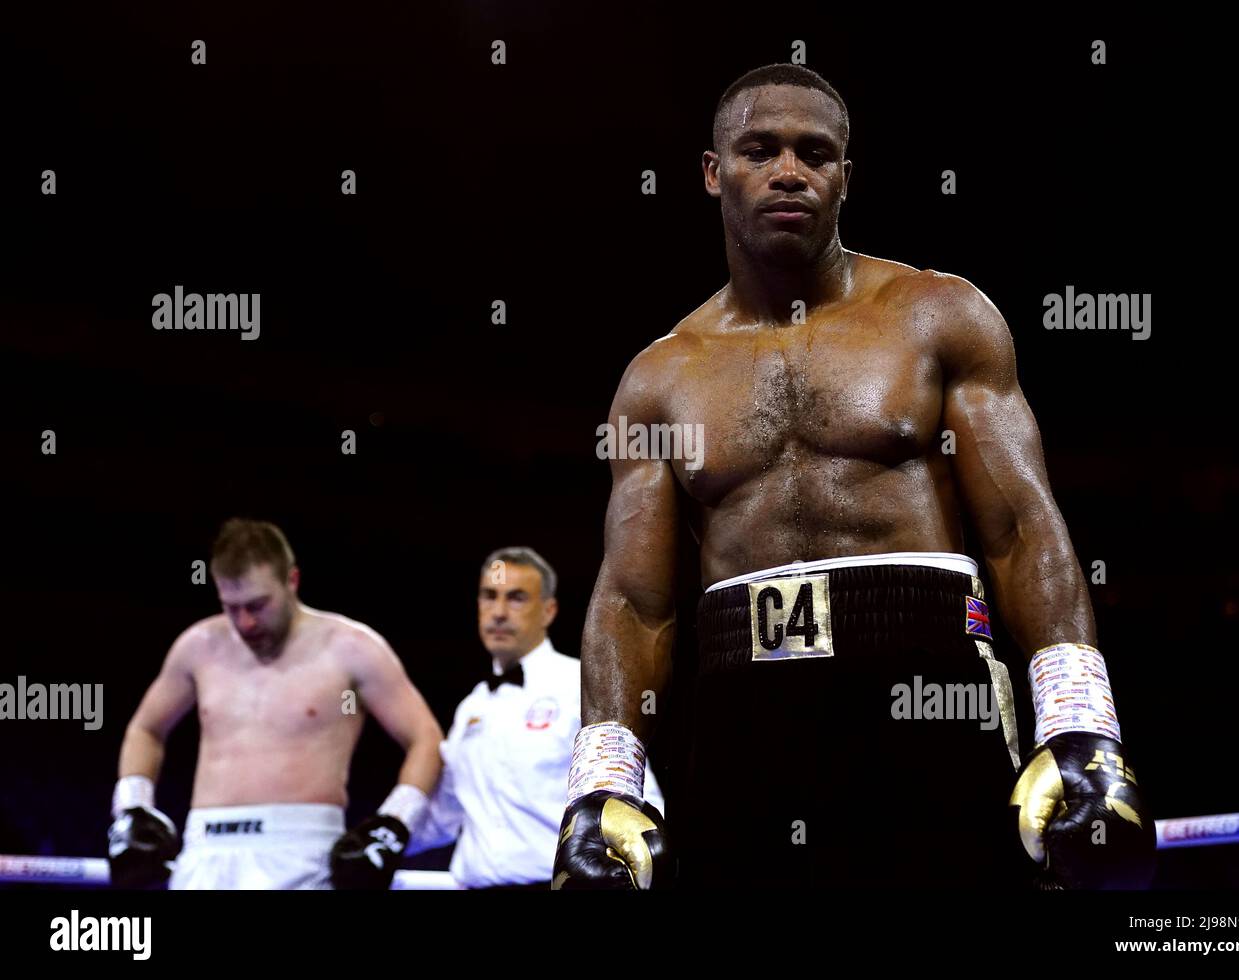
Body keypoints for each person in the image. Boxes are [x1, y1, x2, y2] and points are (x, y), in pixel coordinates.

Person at [552, 63, 1155, 889]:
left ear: (846, 175)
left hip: (928, 678)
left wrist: (1082, 723)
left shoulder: (939, 314)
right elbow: (633, 599)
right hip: (744, 702)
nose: (789, 171)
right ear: (711, 171)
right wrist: (603, 784)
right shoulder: (659, 377)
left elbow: (1022, 531)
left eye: (815, 153)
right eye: (760, 150)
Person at [108, 518, 443, 889]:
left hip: (300, 851)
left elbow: (425, 737)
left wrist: (393, 825)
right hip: (204, 852)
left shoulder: (350, 648)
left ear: (292, 581)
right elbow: (145, 729)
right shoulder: (199, 646)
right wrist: (132, 808)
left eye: (257, 605)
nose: (245, 623)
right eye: (231, 607)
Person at [409, 548, 663, 889]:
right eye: (489, 596)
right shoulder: (471, 707)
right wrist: (387, 832)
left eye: (516, 598)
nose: (498, 612)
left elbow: (633, 793)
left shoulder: (585, 686)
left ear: (548, 610)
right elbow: (445, 816)